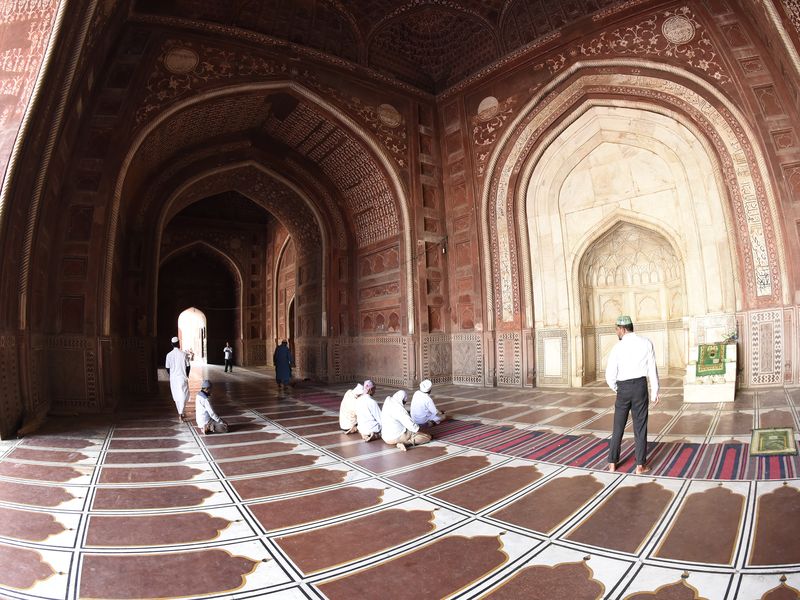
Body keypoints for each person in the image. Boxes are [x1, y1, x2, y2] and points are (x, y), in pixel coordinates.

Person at [605, 315, 660, 475]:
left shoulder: (617, 347)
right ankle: (640, 466)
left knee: (618, 427)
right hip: (640, 387)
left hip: (623, 388)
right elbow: (652, 369)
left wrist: (618, 388)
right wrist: (654, 392)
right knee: (640, 427)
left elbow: (610, 375)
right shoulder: (646, 343)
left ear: (622, 329)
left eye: (617, 329)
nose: (616, 332)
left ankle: (612, 463)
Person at [165, 336, 190, 422]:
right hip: (182, 377)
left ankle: (181, 412)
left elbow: (167, 368)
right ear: (178, 343)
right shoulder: (184, 354)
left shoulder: (169, 355)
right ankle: (180, 413)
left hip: (174, 379)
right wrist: (187, 375)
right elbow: (188, 366)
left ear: (172, 344)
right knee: (184, 395)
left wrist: (171, 375)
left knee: (176, 396)